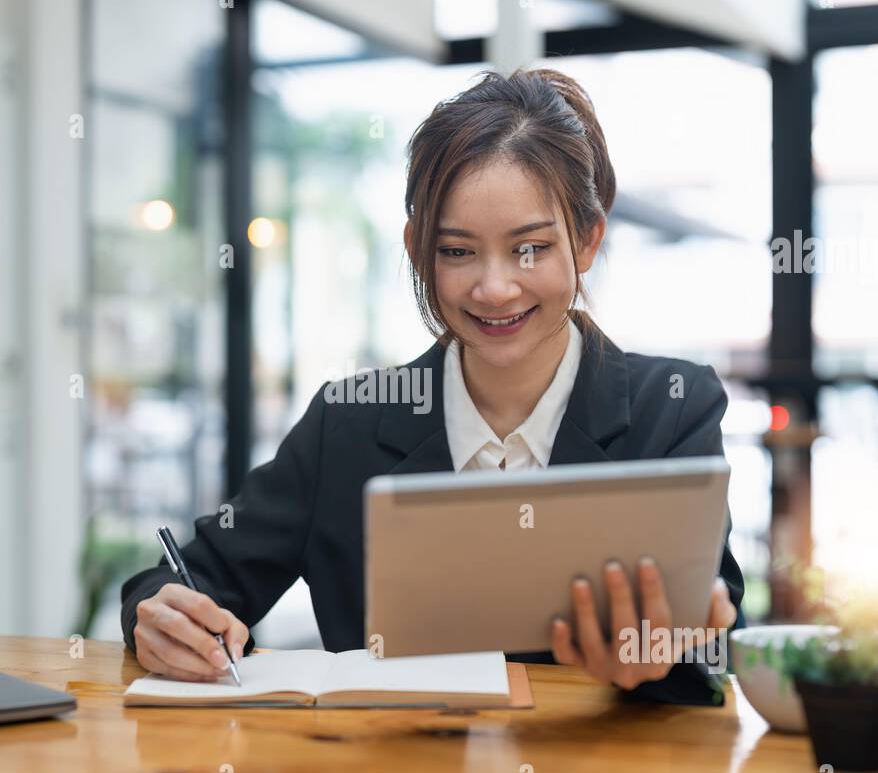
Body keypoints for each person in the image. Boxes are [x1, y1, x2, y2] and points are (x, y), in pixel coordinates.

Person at [122, 67, 744, 705]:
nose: (494, 288)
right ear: (419, 249)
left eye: (529, 249)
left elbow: (716, 642)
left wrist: (666, 655)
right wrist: (160, 616)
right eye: (457, 252)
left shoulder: (670, 408)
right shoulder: (351, 422)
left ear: (586, 240)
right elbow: (187, 578)